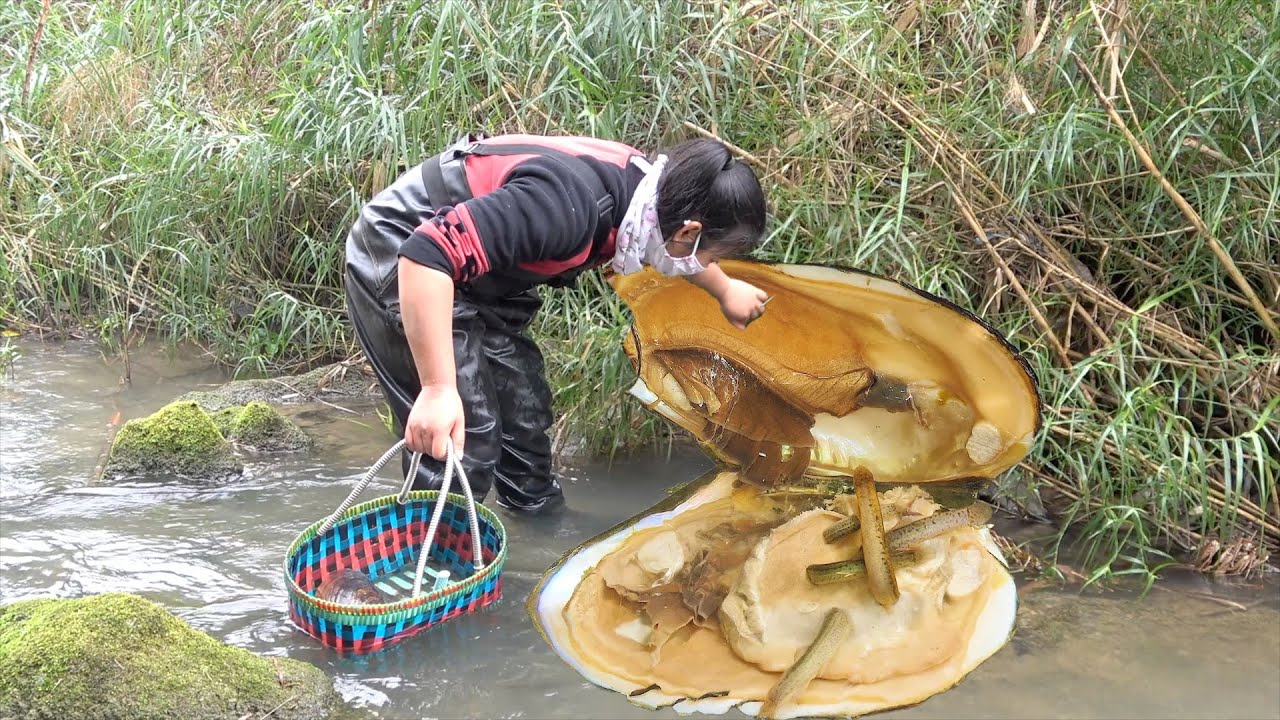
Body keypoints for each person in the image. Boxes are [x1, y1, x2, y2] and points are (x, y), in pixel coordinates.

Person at [343, 131, 770, 514]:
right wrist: (438, 390)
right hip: (404, 256)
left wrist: (725, 289)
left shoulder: (651, 200)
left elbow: (678, 247)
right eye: (712, 257)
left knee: (524, 422)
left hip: (474, 276)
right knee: (462, 438)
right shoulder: (568, 209)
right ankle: (431, 568)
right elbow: (427, 254)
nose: (706, 266)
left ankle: (540, 534)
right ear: (688, 232)